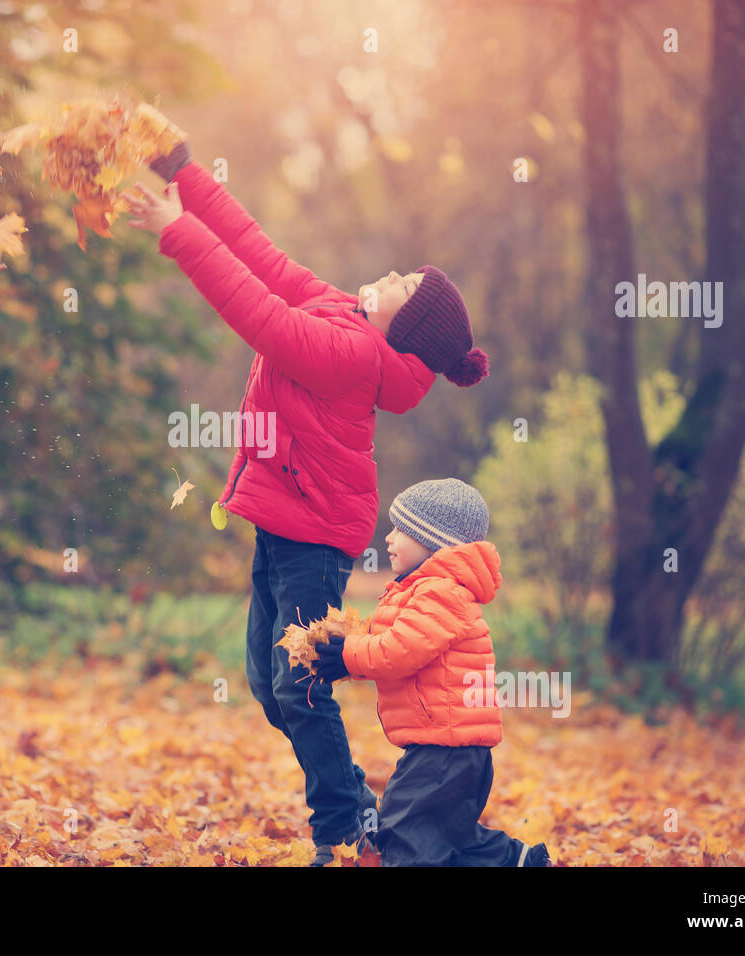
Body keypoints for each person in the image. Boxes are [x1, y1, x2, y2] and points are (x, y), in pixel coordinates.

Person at [123, 125, 490, 866]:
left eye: (403, 285)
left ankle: (345, 828)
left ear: (403, 324)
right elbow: (260, 256)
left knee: (301, 689)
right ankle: (354, 802)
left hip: (317, 540)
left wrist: (175, 232)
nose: (389, 276)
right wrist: (185, 174)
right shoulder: (346, 314)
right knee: (269, 685)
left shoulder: (352, 356)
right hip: (284, 522)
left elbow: (258, 314)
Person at [314, 478, 552, 866]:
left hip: (446, 753)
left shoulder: (440, 593)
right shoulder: (422, 590)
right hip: (446, 749)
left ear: (433, 539)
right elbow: (398, 653)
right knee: (444, 836)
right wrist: (346, 658)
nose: (388, 539)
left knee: (406, 839)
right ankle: (519, 860)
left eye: (400, 530)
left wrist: (350, 656)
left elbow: (399, 652)